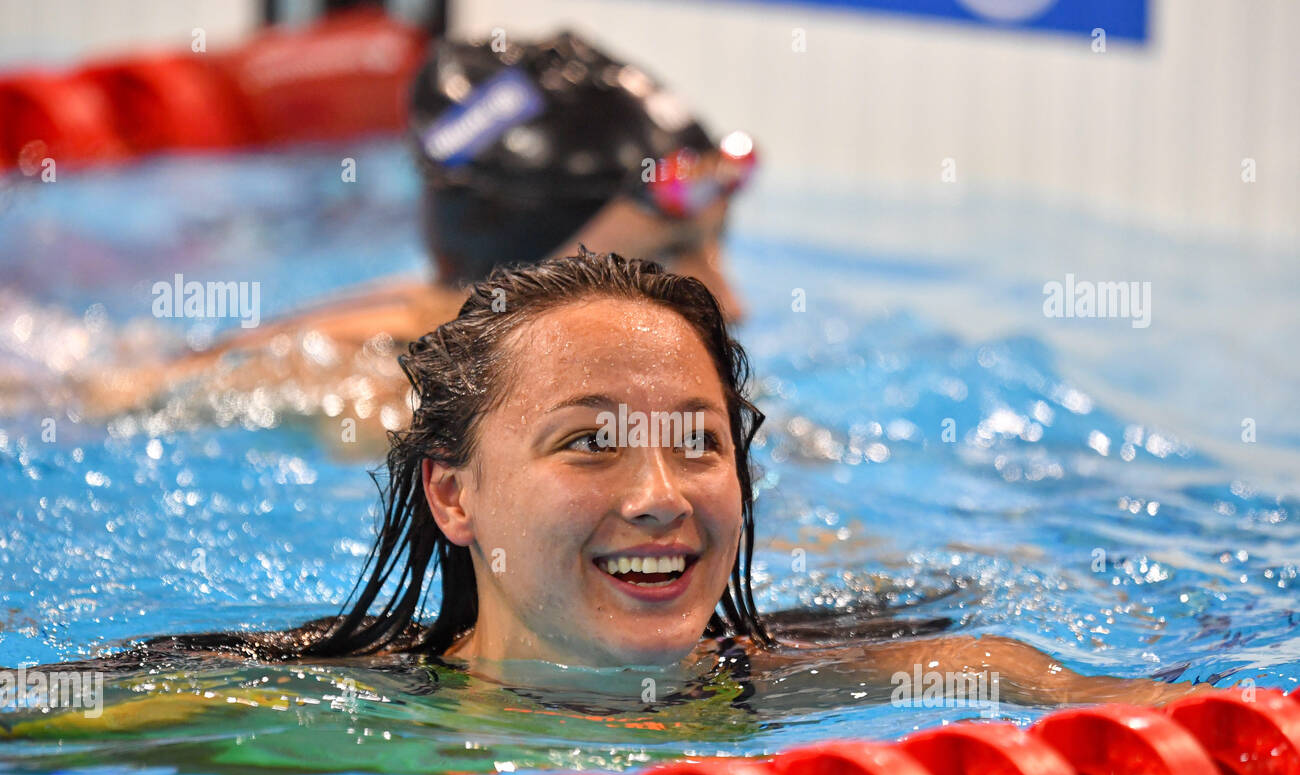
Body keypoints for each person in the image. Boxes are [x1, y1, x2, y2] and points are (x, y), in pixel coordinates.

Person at [134, 250, 1209, 709]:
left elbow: (1012, 672)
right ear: (452, 495)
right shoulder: (292, 702)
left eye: (698, 441)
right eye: (589, 443)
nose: (661, 494)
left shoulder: (823, 686)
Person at [78, 31, 756, 442]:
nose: (731, 302)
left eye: (712, 246)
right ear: (523, 271)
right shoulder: (389, 387)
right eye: (666, 255)